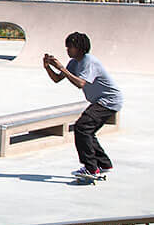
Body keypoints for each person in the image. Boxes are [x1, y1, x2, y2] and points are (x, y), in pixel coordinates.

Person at [42, 31, 122, 183]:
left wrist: (62, 68)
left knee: (82, 127)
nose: (67, 50)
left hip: (109, 100)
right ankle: (104, 164)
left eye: (70, 47)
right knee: (87, 130)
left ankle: (91, 168)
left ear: (79, 48)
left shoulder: (88, 61)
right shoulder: (74, 62)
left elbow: (80, 83)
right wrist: (48, 67)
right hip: (100, 101)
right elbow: (58, 79)